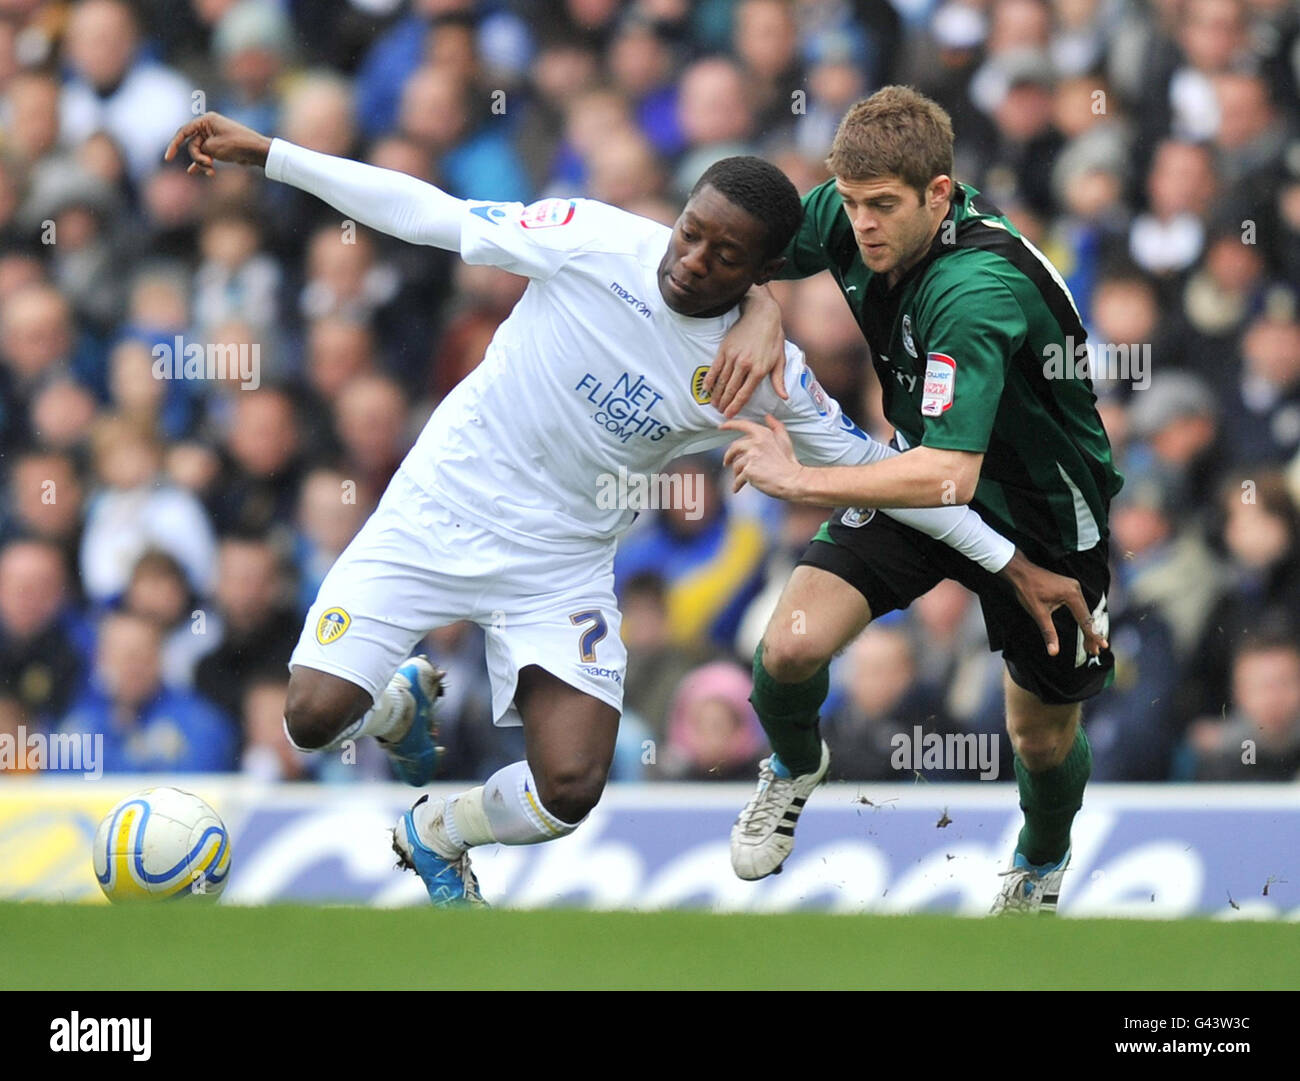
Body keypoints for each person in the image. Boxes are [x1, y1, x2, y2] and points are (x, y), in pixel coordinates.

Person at [165, 110, 1097, 907]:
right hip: (438, 505)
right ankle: (398, 702)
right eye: (689, 231)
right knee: (312, 718)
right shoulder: (589, 236)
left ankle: (439, 829)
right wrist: (272, 154)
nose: (689, 261)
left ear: (761, 272)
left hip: (560, 557)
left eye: (725, 257)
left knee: (569, 787)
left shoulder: (763, 373)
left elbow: (881, 464)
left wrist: (1010, 564)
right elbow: (431, 216)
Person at [713, 86, 1119, 914]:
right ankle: (793, 766)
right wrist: (758, 302)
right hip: (917, 475)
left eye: (883, 206)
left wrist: (800, 481)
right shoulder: (849, 209)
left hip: (1038, 514)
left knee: (1038, 740)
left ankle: (1039, 862)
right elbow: (732, 248)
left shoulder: (975, 290)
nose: (861, 225)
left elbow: (951, 477)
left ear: (939, 194)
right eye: (853, 203)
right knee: (788, 646)